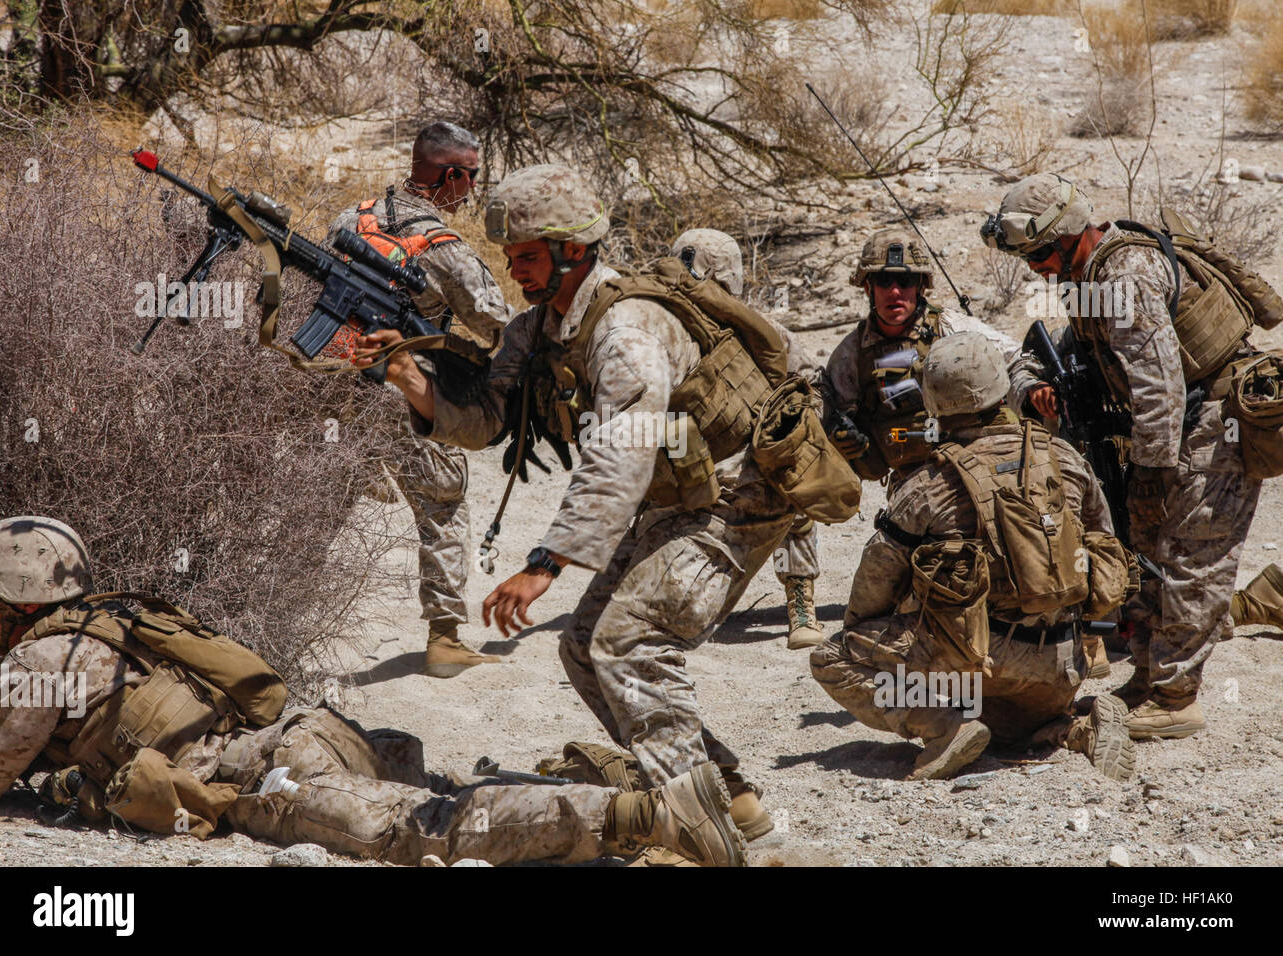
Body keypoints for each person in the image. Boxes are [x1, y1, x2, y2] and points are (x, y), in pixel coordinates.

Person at [361, 165, 852, 842]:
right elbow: (487, 419)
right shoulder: (539, 330)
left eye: (529, 257)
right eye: (511, 259)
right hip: (678, 495)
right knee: (586, 646)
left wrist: (546, 563)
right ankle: (728, 795)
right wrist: (409, 375)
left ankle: (705, 827)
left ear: (574, 250)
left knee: (632, 641)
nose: (517, 272)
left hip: (740, 497)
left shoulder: (626, 333)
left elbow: (621, 454)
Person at [0, 516, 746, 866]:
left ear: (14, 600)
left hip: (265, 777)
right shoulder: (114, 618)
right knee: (421, 790)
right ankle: (597, 776)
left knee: (430, 833)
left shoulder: (42, 658)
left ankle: (649, 812)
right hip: (312, 730)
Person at [983, 173, 1266, 738]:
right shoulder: (1093, 277)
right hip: (1176, 426)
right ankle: (1149, 680)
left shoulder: (1125, 276)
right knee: (1149, 555)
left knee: (1192, 555)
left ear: (1068, 236)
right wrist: (1029, 387)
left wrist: (1153, 472)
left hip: (1212, 423)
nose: (1038, 269)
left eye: (1041, 254)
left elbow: (1158, 385)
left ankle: (1175, 698)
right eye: (1029, 259)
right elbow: (1057, 349)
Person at [809, 334, 1136, 782]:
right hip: (1064, 663)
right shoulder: (1064, 457)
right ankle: (1075, 728)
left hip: (979, 666)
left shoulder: (927, 485)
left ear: (934, 401)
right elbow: (1106, 544)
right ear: (1002, 388)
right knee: (1004, 728)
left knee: (832, 658)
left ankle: (944, 728)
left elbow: (872, 591)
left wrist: (881, 630)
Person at [327, 121, 509, 679]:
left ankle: (266, 610)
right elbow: (496, 319)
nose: (472, 188)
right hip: (406, 388)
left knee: (320, 503)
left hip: (334, 381)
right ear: (451, 174)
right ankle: (446, 638)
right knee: (443, 506)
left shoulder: (351, 218)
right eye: (470, 177)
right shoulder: (445, 247)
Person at [670, 227, 824, 650]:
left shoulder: (763, 332)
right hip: (690, 470)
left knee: (796, 476)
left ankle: (799, 596)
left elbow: (811, 388)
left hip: (752, 466)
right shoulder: (664, 338)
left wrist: (784, 434)